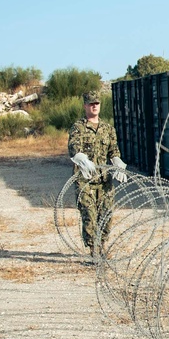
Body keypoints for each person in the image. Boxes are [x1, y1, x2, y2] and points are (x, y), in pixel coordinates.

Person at [68, 91, 125, 256]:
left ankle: (102, 244)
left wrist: (118, 162)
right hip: (85, 179)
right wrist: (81, 158)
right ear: (85, 106)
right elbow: (73, 147)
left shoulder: (108, 129)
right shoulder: (78, 127)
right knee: (89, 214)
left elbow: (113, 151)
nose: (94, 106)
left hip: (104, 179)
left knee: (106, 214)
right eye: (91, 104)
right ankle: (94, 249)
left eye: (96, 103)